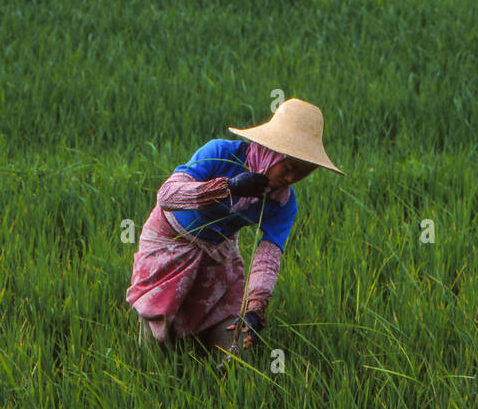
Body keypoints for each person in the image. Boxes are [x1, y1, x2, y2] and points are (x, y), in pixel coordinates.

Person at [126, 98, 342, 361]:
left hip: (217, 251)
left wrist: (256, 306)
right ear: (271, 150)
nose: (290, 179)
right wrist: (229, 187)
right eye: (288, 169)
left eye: (302, 173)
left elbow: (269, 254)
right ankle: (154, 365)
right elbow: (167, 196)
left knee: (232, 333)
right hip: (169, 241)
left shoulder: (283, 202)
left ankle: (218, 370)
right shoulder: (219, 153)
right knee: (157, 323)